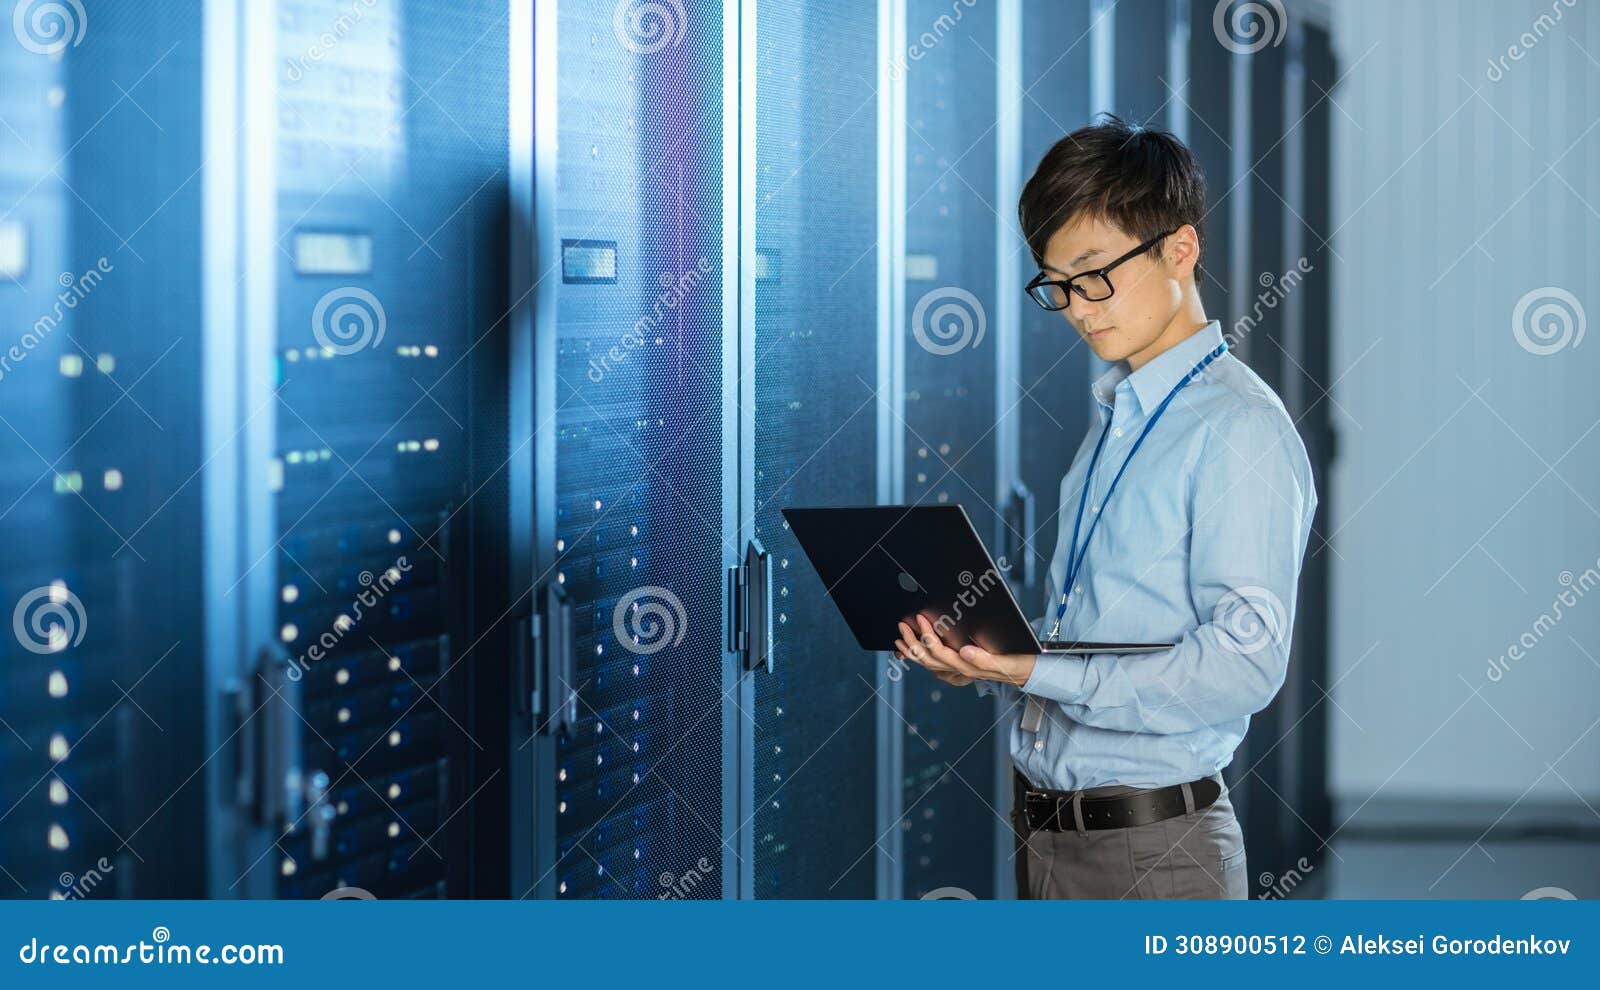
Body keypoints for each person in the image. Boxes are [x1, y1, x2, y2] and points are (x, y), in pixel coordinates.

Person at [894, 114, 1318, 900]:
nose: (1078, 307)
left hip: (1156, 855)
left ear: (1179, 250)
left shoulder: (1238, 428)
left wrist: (1041, 673)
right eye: (1056, 285)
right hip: (1049, 839)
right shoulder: (1117, 420)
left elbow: (1245, 666)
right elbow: (1113, 634)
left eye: (1094, 274)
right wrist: (994, 665)